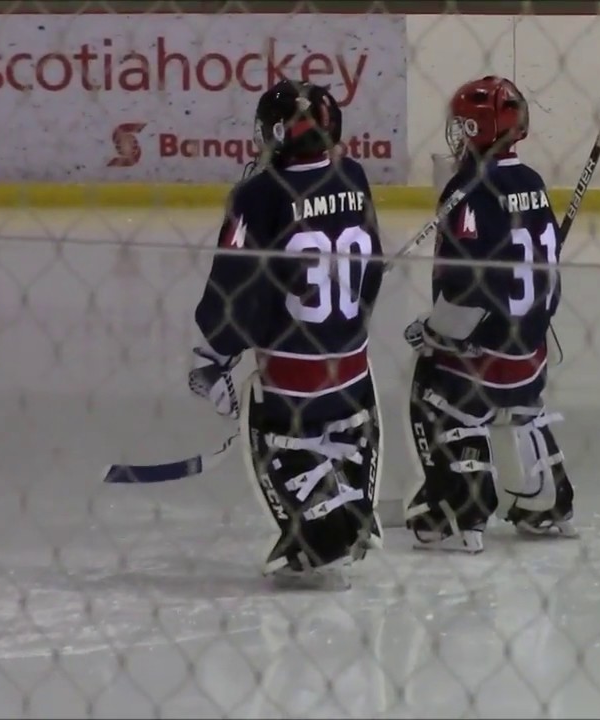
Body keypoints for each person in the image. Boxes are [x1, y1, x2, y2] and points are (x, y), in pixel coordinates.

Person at [192, 79, 385, 588]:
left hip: (291, 375)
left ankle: (317, 534)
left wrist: (214, 354)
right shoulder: (354, 175)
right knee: (338, 416)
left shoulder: (258, 195)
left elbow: (232, 286)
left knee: (267, 416)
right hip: (352, 366)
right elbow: (373, 270)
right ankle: (353, 504)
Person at [402, 75, 578, 554]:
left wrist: (430, 331)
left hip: (486, 361)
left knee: (431, 384)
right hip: (531, 352)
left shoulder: (468, 191)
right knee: (521, 409)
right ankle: (545, 500)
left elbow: (467, 291)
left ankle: (458, 506)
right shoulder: (531, 181)